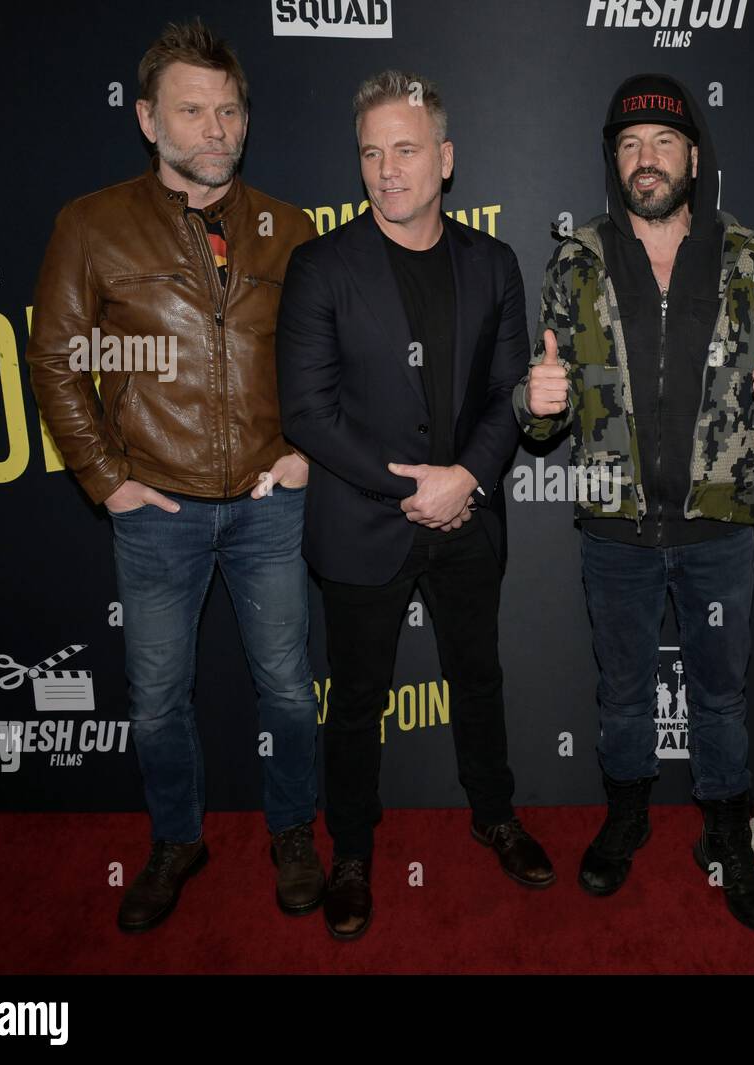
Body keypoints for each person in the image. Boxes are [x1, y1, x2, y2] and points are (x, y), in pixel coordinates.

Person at [24, 19, 323, 932]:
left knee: (285, 685)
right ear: (149, 118)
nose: (216, 129)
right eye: (193, 110)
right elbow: (55, 359)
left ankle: (293, 831)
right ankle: (175, 838)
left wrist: (303, 450)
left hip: (270, 507)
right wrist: (104, 477)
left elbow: (321, 363)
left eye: (229, 109)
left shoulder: (288, 227)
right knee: (156, 700)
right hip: (156, 509)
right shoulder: (91, 222)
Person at [513, 73, 754, 931]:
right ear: (615, 162)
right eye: (630, 146)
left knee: (721, 695)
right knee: (622, 694)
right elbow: (544, 415)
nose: (647, 160)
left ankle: (726, 830)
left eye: (663, 143)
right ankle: (627, 814)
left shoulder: (752, 261)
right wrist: (532, 406)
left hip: (720, 526)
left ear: (694, 156)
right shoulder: (577, 262)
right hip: (616, 528)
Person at [276, 70, 553, 941]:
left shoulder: (494, 262)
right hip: (364, 523)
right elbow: (306, 414)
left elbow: (512, 391)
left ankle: (494, 813)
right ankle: (351, 849)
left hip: (471, 517)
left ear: (446, 157)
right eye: (371, 153)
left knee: (479, 678)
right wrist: (414, 487)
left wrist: (464, 480)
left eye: (405, 149)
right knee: (355, 699)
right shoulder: (322, 264)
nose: (387, 170)